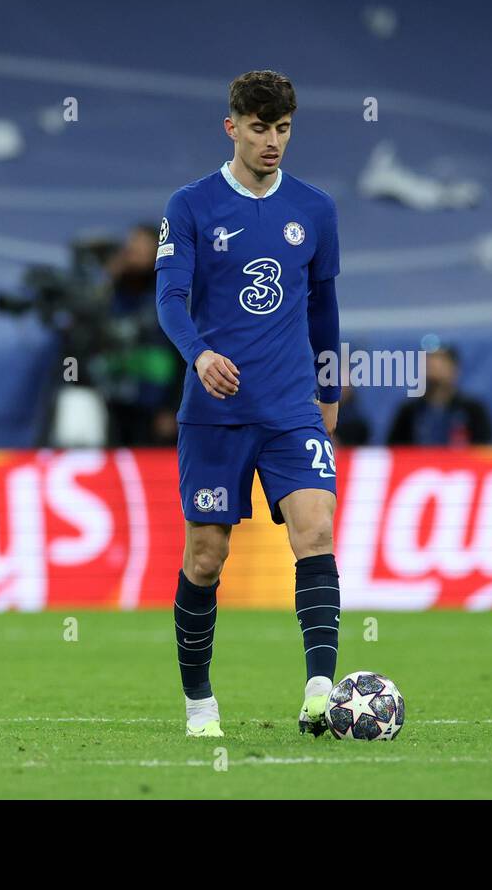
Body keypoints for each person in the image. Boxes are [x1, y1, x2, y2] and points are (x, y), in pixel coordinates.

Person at [155, 70, 343, 738]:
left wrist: (329, 389)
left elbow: (324, 309)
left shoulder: (315, 210)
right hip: (216, 412)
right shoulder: (191, 206)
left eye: (283, 129)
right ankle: (199, 703)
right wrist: (200, 355)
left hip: (291, 407)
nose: (272, 142)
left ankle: (321, 692)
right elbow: (170, 299)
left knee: (315, 530)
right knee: (207, 555)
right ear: (231, 126)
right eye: (260, 128)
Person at [103, 224, 185, 446]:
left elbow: (184, 357)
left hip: (155, 407)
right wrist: (109, 281)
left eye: (141, 248)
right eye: (130, 248)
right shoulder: (115, 295)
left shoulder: (170, 295)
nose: (132, 253)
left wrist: (173, 407)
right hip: (115, 401)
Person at [386, 346, 492, 445]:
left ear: (454, 369)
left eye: (441, 362)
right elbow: (395, 450)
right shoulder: (409, 412)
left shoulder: (472, 410)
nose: (434, 367)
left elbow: (484, 448)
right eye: (429, 363)